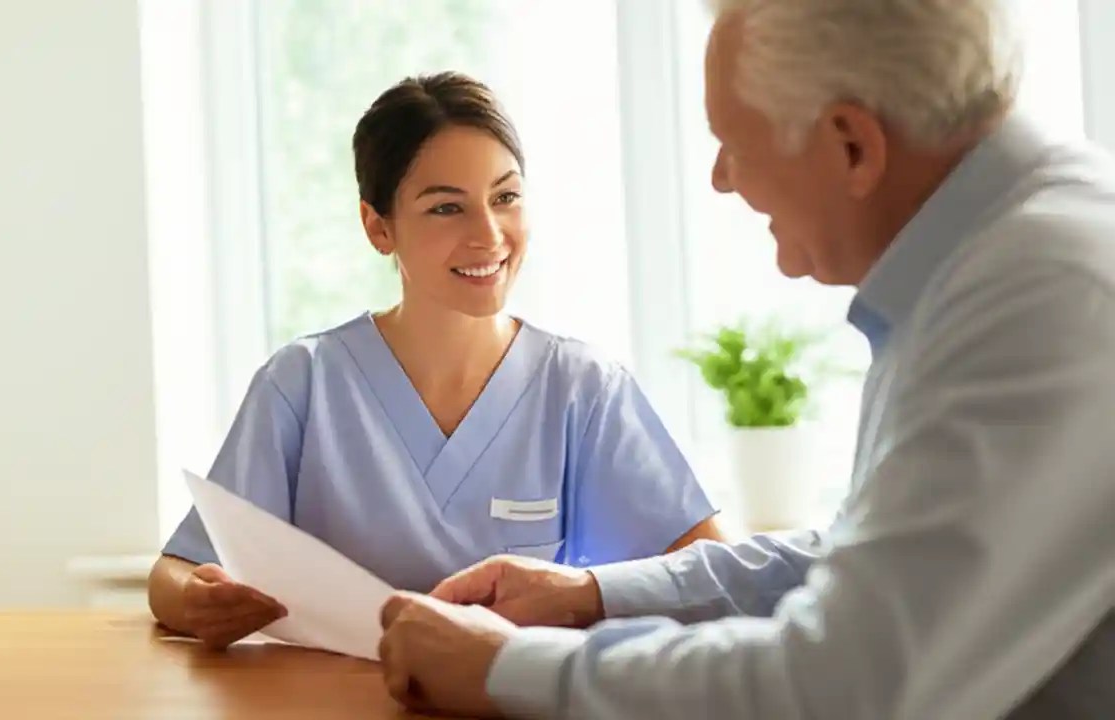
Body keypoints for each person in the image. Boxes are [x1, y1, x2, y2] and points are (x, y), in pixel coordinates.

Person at [377, 3, 1115, 718]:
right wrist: (593, 594)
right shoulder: (1008, 256)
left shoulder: (1040, 293)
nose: (721, 178)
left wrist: (504, 669)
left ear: (850, 144)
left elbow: (837, 686)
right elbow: (874, 556)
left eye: (734, 142)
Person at [147, 72, 722, 649]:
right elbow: (175, 574)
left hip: (511, 703)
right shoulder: (303, 383)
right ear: (378, 226)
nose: (489, 234)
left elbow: (707, 572)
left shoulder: (582, 389)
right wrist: (198, 604)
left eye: (506, 197)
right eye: (447, 208)